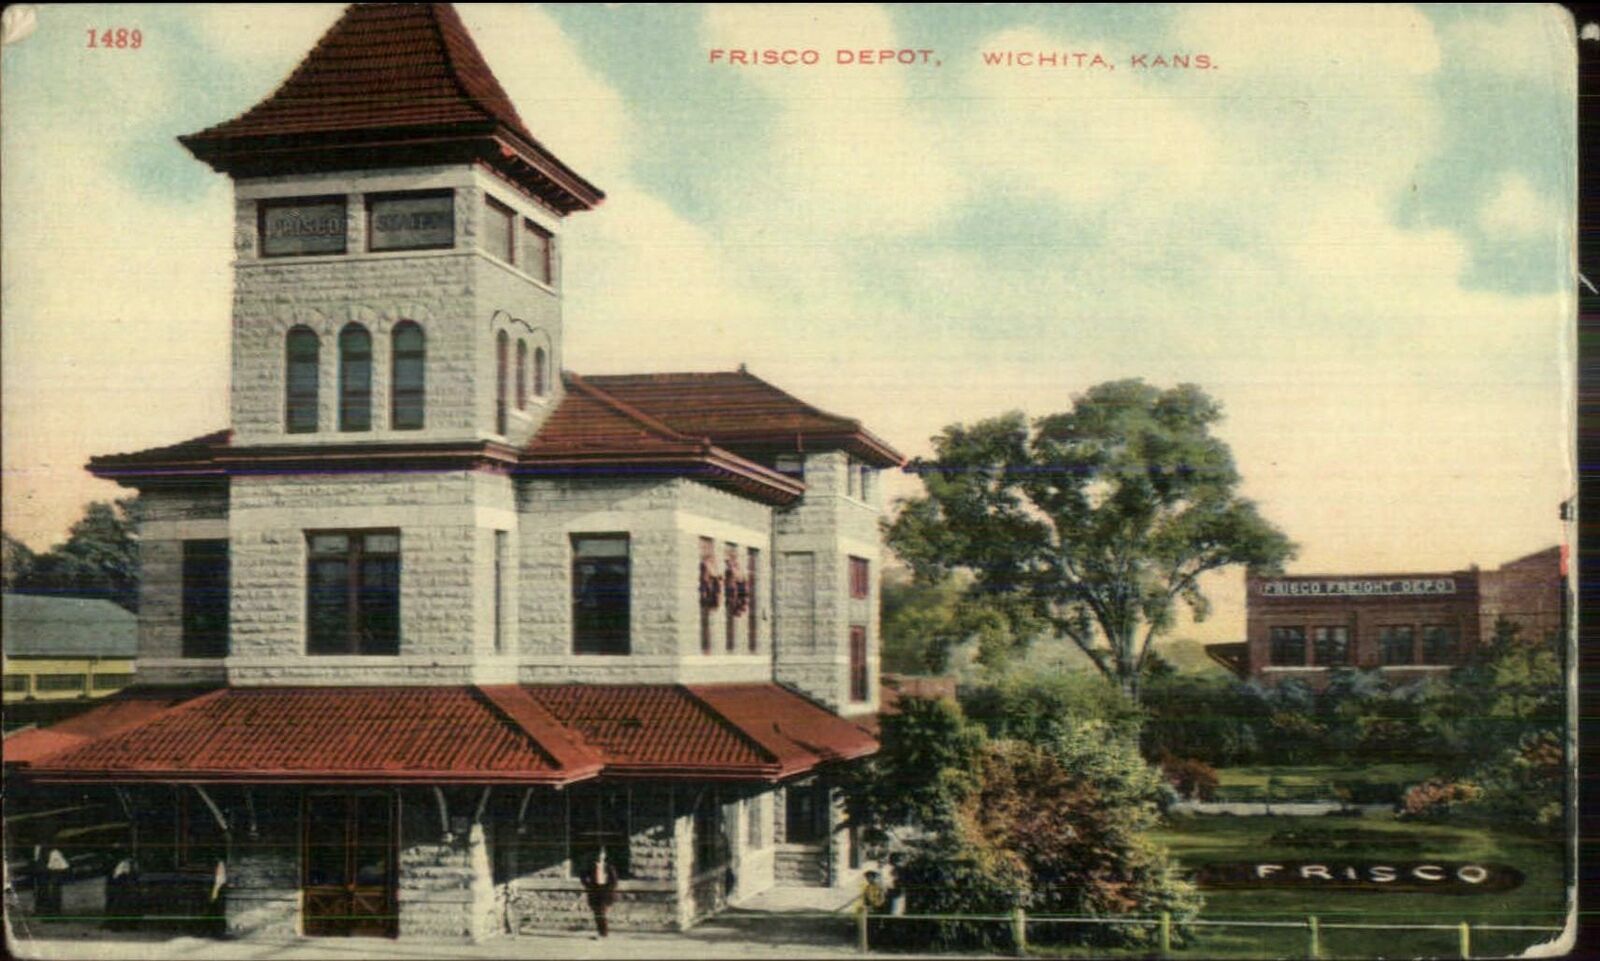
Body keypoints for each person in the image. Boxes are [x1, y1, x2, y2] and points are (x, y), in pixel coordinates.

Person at [579, 848, 618, 939]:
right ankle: (601, 931)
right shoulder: (591, 866)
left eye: (601, 855)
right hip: (595, 891)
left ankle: (603, 933)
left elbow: (614, 881)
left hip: (605, 891)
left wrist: (609, 889)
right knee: (597, 913)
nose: (599, 857)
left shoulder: (609, 867)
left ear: (604, 856)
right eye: (597, 855)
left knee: (602, 912)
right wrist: (588, 886)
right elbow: (583, 876)